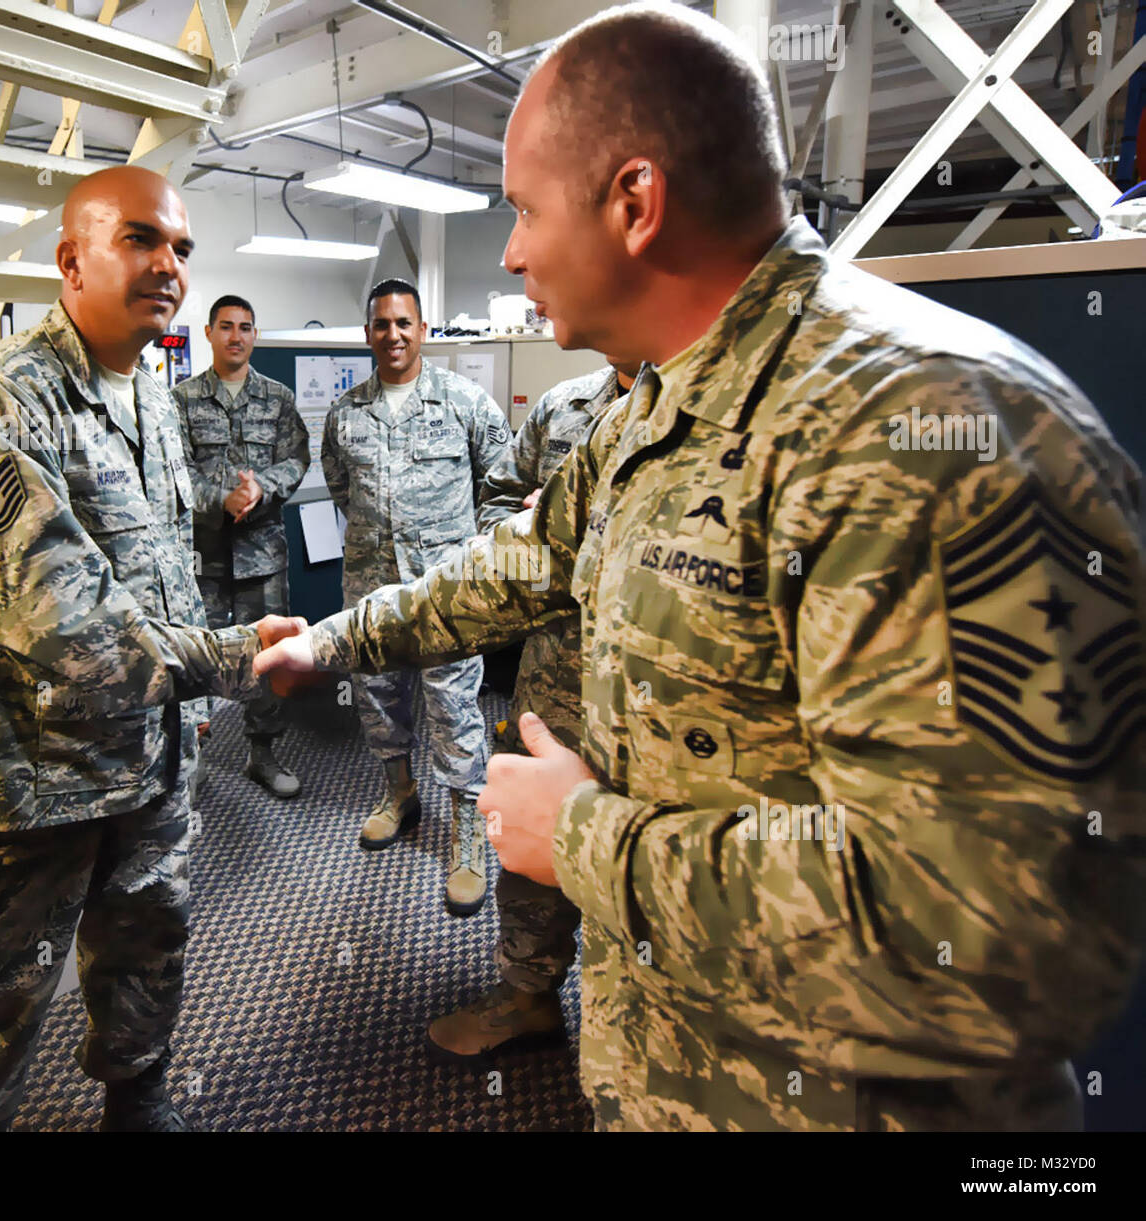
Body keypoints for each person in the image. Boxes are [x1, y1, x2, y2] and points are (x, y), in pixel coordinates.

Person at [256, 4, 1146, 1131]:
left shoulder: (929, 429)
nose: (515, 250)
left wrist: (580, 839)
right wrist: (331, 640)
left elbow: (1002, 945)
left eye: (524, 210)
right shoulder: (657, 408)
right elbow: (518, 562)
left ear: (633, 203)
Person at [0, 165, 302, 1132]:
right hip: (27, 787)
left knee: (147, 956)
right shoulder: (0, 403)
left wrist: (196, 702)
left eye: (181, 248)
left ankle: (141, 1102)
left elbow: (160, 570)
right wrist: (231, 656)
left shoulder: (150, 395)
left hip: (149, 764)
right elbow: (74, 633)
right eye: (139, 239)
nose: (169, 265)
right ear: (69, 260)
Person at [427, 359, 637, 1061]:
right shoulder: (564, 404)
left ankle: (637, 1034)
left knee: (638, 855)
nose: (518, 255)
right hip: (555, 675)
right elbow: (495, 500)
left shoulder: (713, 407)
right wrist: (528, 522)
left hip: (653, 696)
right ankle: (528, 996)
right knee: (526, 847)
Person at [320, 278, 512, 916]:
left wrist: (474, 560)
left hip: (446, 594)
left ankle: (467, 833)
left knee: (454, 708)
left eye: (405, 323)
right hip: (370, 590)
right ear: (368, 333)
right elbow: (343, 491)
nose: (393, 335)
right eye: (381, 324)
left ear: (422, 329)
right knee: (378, 701)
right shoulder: (345, 413)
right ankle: (399, 795)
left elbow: (504, 486)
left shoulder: (464, 402)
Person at [174, 294, 310, 799]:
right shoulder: (181, 400)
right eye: (226, 327)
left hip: (262, 557)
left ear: (255, 334)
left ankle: (263, 752)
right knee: (196, 657)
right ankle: (194, 753)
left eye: (246, 327)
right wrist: (219, 500)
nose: (236, 336)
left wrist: (261, 489)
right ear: (209, 333)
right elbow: (175, 472)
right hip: (203, 559)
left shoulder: (278, 398)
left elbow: (296, 460)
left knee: (266, 659)